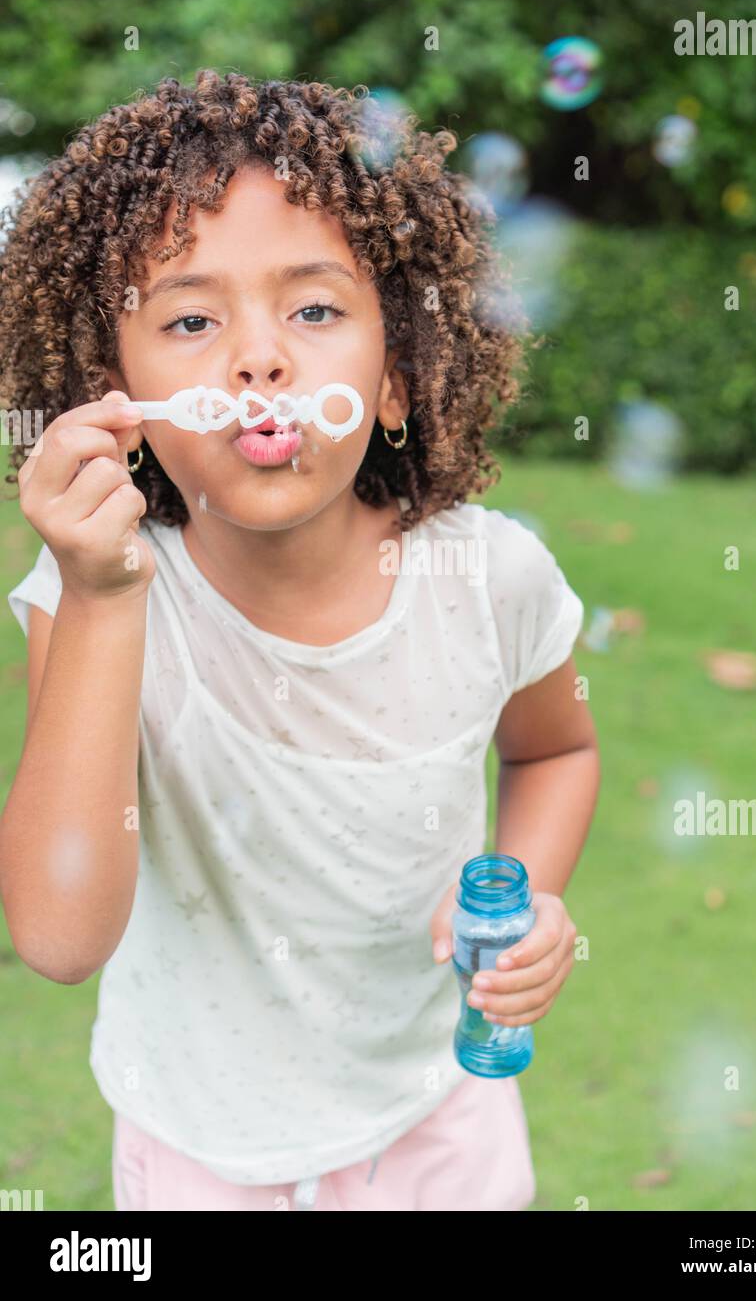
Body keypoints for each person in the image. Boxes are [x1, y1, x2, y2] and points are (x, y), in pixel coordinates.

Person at [0, 70, 600, 1211]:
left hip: (442, 1120)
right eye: (189, 319)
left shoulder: (490, 577)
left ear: (397, 376)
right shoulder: (92, 592)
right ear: (112, 393)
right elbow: (59, 933)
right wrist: (104, 595)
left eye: (314, 310)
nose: (259, 360)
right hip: (199, 1150)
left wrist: (515, 898)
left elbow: (553, 753)